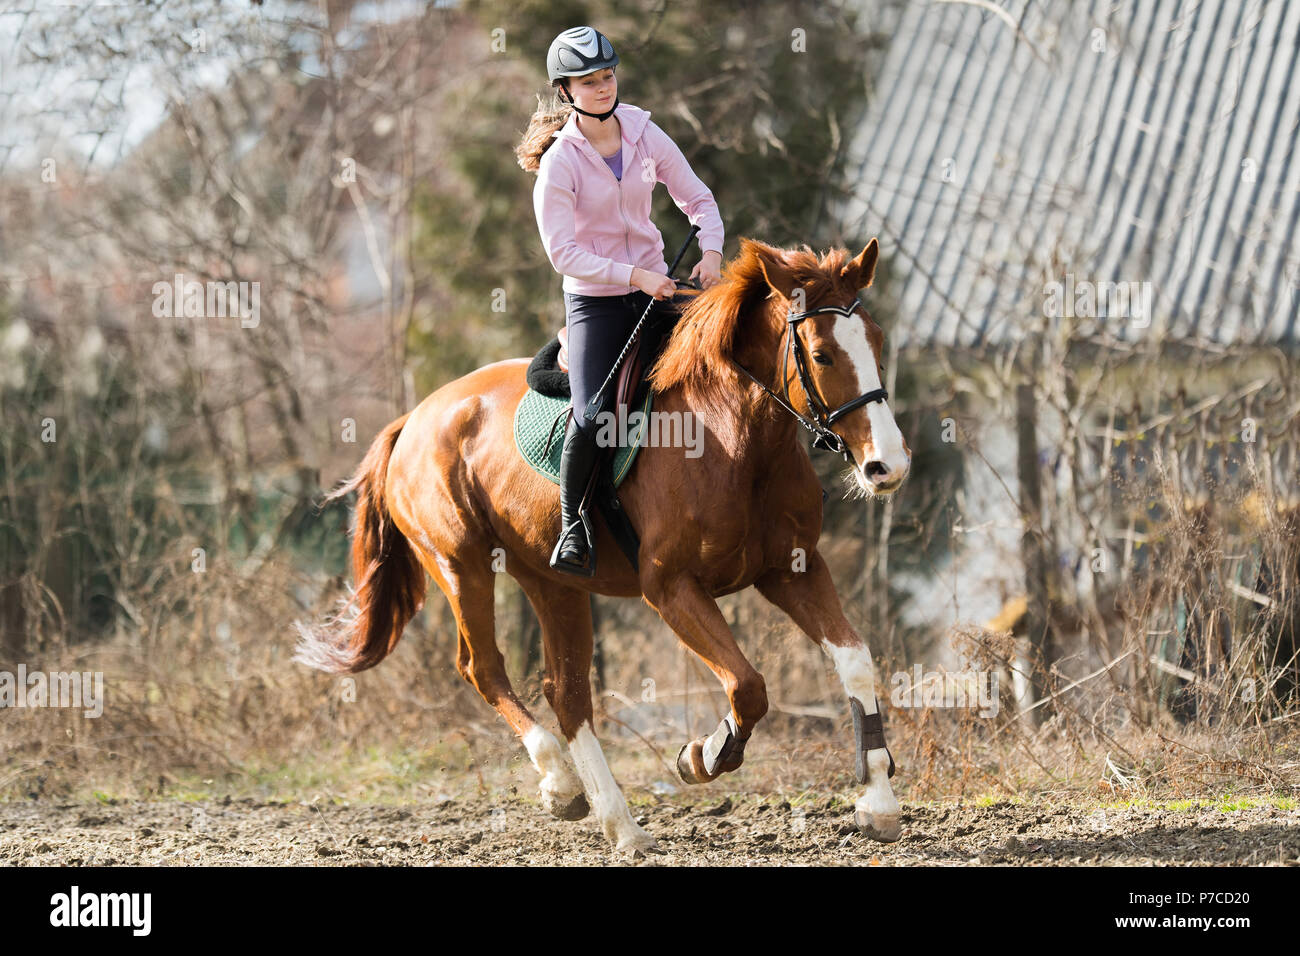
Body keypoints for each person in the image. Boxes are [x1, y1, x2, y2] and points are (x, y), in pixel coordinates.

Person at [517, 25, 726, 577]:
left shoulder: (644, 133)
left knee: (734, 358)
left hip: (658, 287)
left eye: (607, 75)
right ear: (566, 92)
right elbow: (563, 255)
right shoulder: (559, 164)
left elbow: (699, 199)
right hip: (599, 303)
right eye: (588, 81)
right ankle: (572, 526)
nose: (603, 87)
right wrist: (633, 275)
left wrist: (710, 251)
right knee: (590, 417)